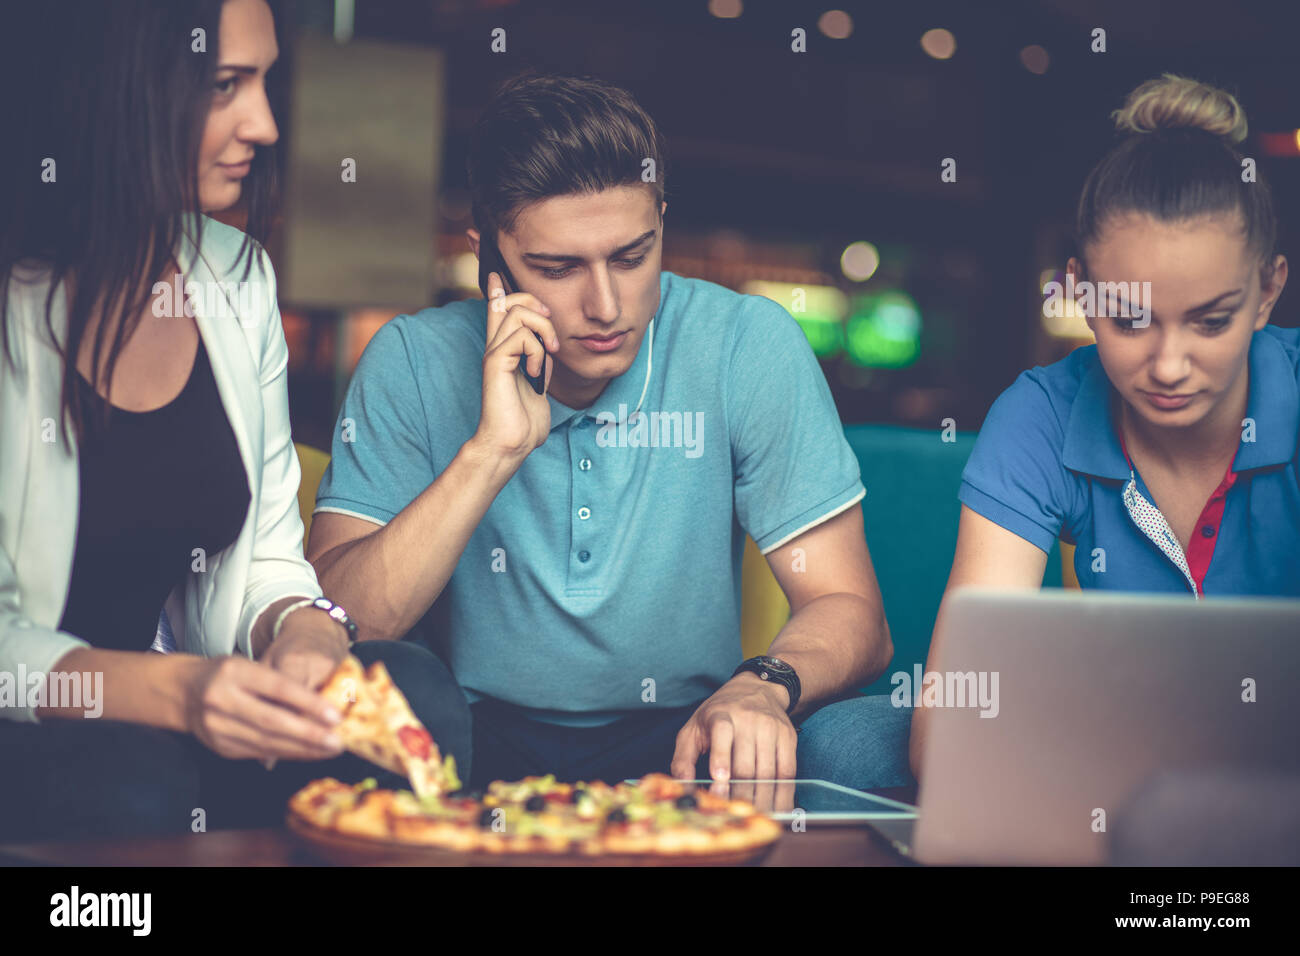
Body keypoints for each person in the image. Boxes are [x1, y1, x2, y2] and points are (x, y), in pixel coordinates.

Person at [308, 72, 912, 800]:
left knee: (856, 750)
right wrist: (489, 454)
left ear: (661, 218)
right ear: (487, 261)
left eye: (632, 256)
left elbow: (853, 613)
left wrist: (763, 686)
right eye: (558, 268)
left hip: (687, 734)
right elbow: (334, 628)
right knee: (346, 710)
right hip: (467, 736)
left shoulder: (744, 345)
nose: (606, 305)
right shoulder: (412, 359)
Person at [0, 0, 468, 841]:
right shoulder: (16, 298)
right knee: (140, 786)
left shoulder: (236, 277)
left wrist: (300, 638)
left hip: (197, 705)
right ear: (116, 90)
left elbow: (266, 560)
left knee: (416, 697)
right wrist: (179, 695)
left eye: (263, 81)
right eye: (224, 85)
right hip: (47, 721)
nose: (265, 124)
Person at [909, 74, 1294, 777]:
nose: (1169, 365)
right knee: (849, 739)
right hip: (1122, 761)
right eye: (1130, 318)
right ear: (1080, 292)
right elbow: (953, 724)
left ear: (1269, 291)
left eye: (1211, 321)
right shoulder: (1040, 414)